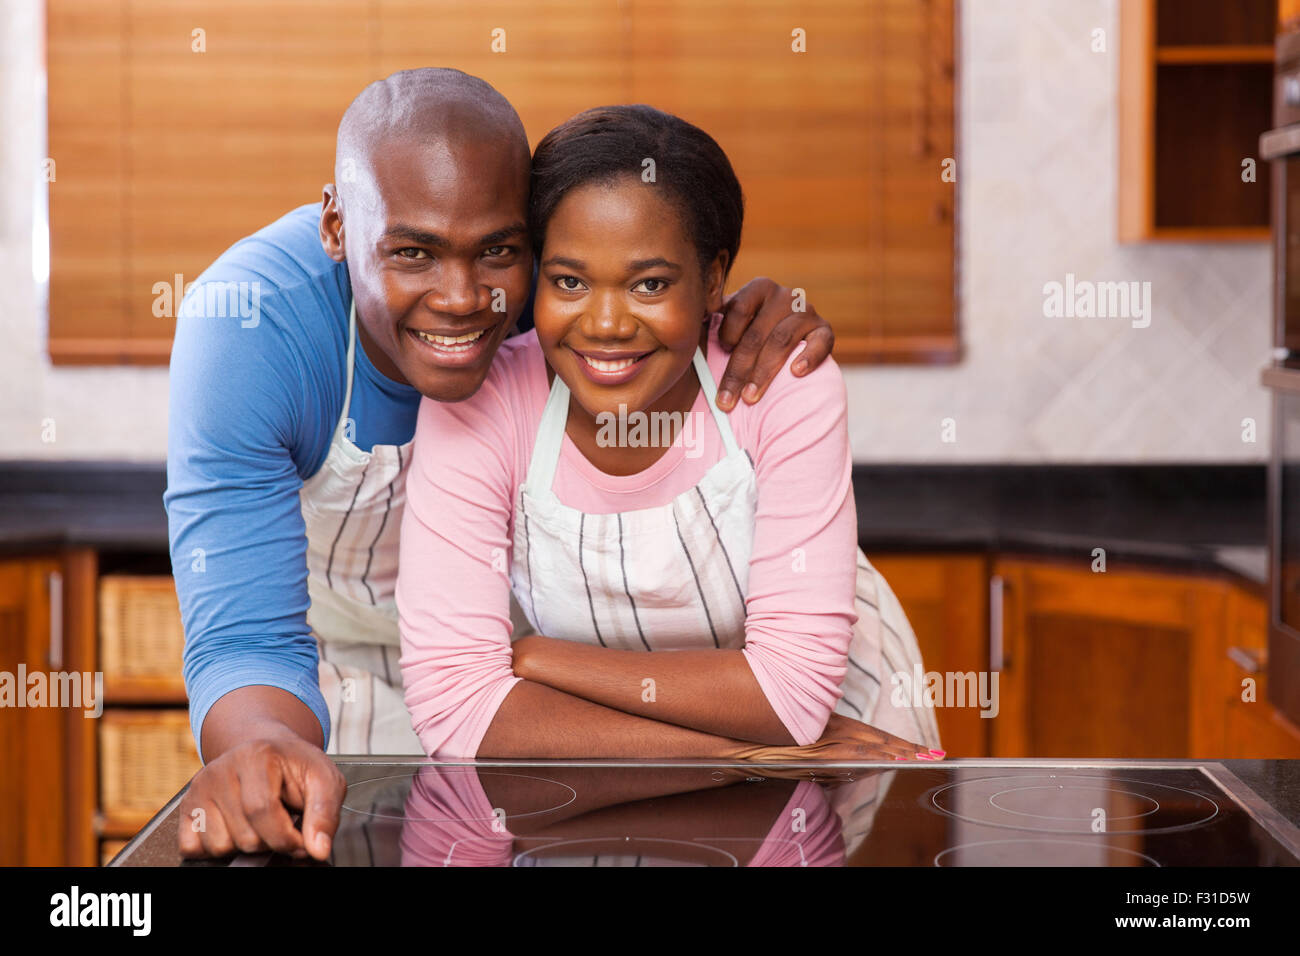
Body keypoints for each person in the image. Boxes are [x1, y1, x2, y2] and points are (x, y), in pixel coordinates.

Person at [168, 70, 837, 861]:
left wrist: (735, 315)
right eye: (412, 252)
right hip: (335, 672)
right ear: (337, 226)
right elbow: (250, 634)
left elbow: (647, 276)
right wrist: (258, 742)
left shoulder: (559, 294)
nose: (460, 297)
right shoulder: (251, 331)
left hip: (541, 676)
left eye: (498, 252)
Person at [396, 105, 944, 763]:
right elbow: (456, 713)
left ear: (714, 278)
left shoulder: (782, 382)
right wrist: (738, 757)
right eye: (569, 281)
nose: (604, 323)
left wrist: (540, 660)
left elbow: (793, 697)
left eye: (649, 283)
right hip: (739, 758)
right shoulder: (480, 403)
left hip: (845, 744)